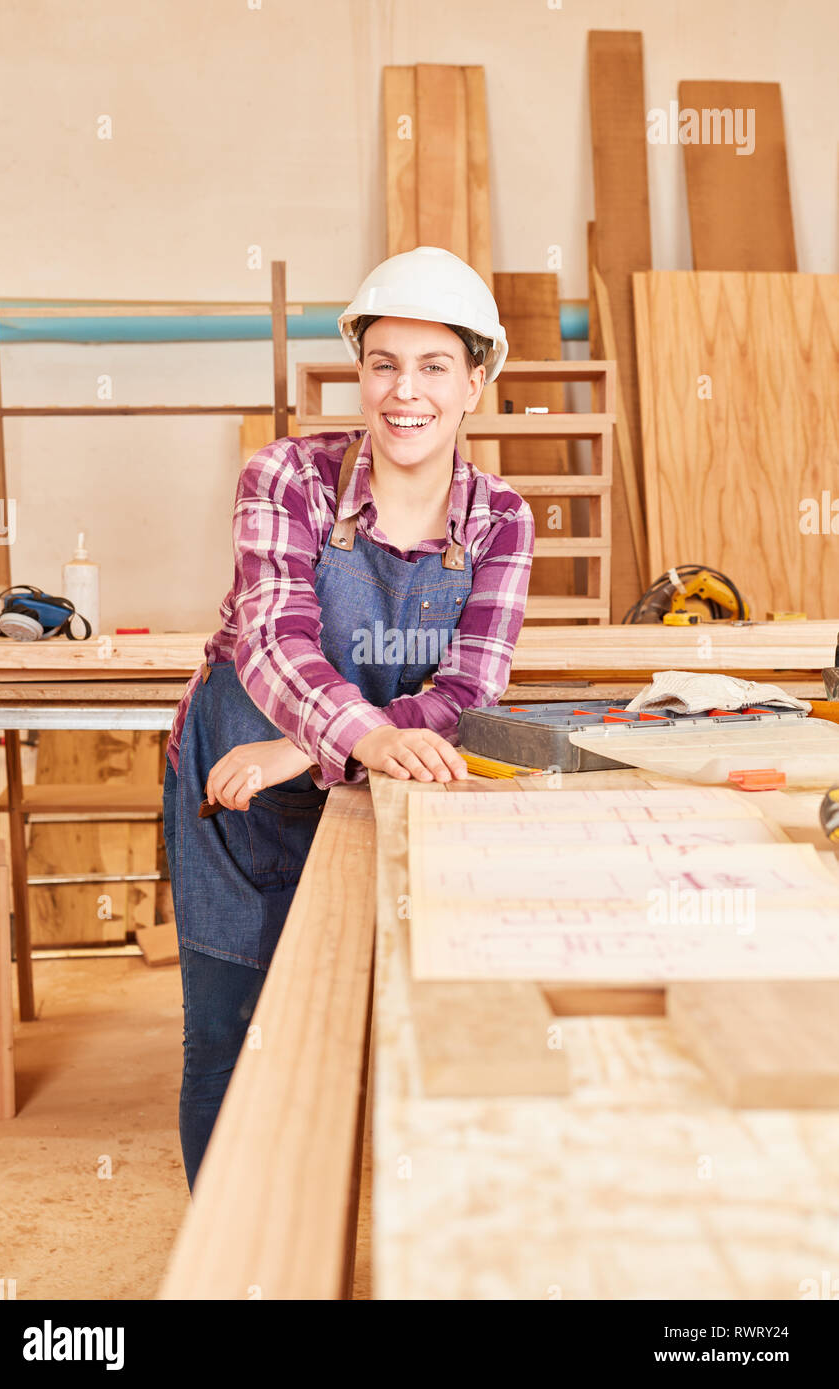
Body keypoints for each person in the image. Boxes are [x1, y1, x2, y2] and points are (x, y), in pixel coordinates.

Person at [161, 244, 535, 1191]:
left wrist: (310, 746)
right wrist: (363, 736)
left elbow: (470, 693)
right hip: (236, 799)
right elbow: (273, 642)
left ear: (478, 382)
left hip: (377, 796)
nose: (405, 393)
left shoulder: (501, 519)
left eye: (435, 366)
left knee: (363, 1034)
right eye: (384, 364)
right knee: (230, 1034)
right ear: (359, 374)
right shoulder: (285, 478)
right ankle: (232, 1254)